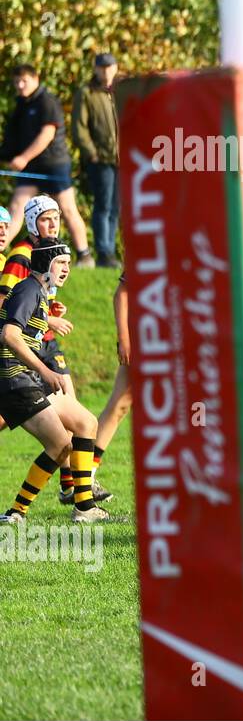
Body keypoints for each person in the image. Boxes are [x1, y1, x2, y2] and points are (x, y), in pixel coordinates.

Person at [0, 239, 106, 523]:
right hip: (14, 380)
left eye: (69, 264)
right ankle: (16, 512)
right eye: (61, 263)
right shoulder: (29, 289)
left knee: (86, 423)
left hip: (27, 378)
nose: (67, 269)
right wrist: (46, 372)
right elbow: (8, 335)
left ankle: (84, 508)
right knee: (60, 446)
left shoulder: (39, 292)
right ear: (45, 264)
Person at [1, 65, 92, 263]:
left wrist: (23, 158)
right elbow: (12, 140)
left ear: (36, 78)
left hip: (54, 165)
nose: (20, 85)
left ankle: (85, 256)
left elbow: (47, 134)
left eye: (24, 80)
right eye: (17, 81)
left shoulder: (47, 101)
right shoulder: (22, 104)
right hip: (32, 168)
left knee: (67, 209)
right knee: (16, 207)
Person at [71, 53, 120, 268]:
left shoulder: (121, 91)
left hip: (122, 159)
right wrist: (92, 153)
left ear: (115, 68)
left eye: (109, 67)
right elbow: (79, 127)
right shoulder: (87, 93)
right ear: (96, 69)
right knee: (103, 205)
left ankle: (109, 251)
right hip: (100, 159)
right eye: (102, 67)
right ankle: (104, 252)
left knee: (116, 206)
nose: (106, 71)